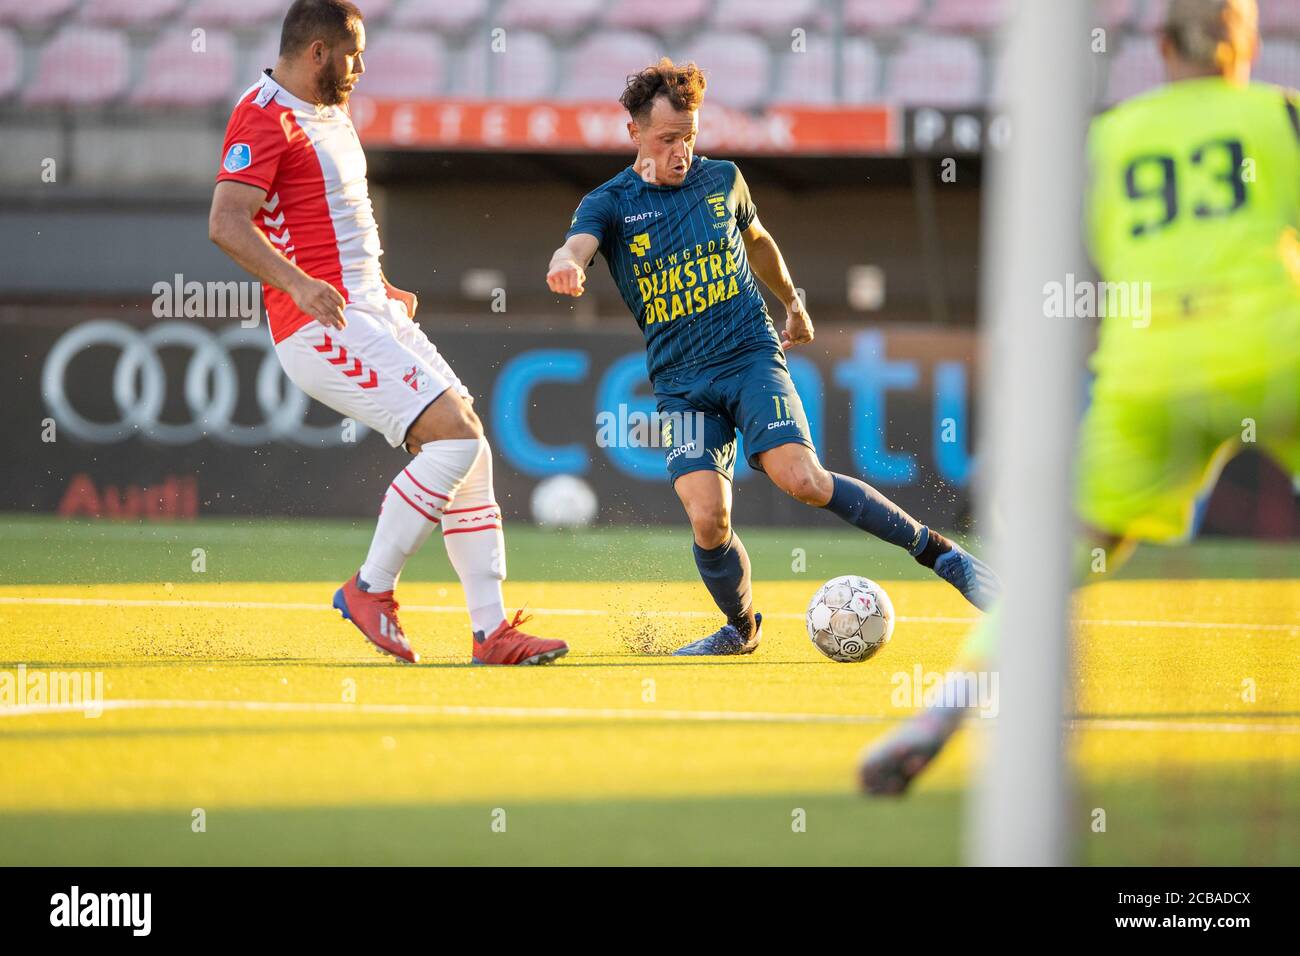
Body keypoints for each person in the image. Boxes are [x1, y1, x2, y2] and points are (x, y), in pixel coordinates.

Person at [860, 0, 1299, 793]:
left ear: (1161, 45)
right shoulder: (1281, 119)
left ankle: (941, 711)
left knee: (1056, 562)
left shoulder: (1109, 139)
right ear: (1250, 44)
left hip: (1150, 363)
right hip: (1273, 346)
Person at [546, 59, 999, 656]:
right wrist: (568, 264)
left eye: (690, 135)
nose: (681, 150)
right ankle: (742, 630)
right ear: (634, 134)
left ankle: (943, 555)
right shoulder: (609, 204)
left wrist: (793, 304)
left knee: (802, 479)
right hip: (680, 385)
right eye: (667, 139)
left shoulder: (723, 179)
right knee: (708, 519)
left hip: (749, 355)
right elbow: (577, 243)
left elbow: (757, 242)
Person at [209, 0, 567, 666]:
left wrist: (378, 282)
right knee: (454, 443)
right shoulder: (262, 116)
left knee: (473, 447)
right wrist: (297, 284)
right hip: (320, 323)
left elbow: (336, 223)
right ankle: (370, 586)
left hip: (368, 307)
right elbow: (227, 223)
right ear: (318, 51)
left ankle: (490, 632)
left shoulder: (329, 116)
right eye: (354, 54)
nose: (361, 67)